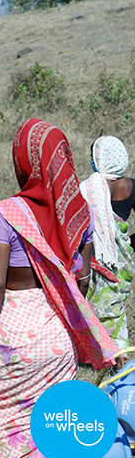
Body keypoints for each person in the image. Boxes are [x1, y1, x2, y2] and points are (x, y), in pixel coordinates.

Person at [0, 119, 118, 458]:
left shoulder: (8, 212)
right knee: (52, 436)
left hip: (12, 340)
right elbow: (82, 279)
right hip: (58, 341)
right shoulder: (80, 213)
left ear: (24, 161)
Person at [80, 135, 133, 356]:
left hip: (93, 256)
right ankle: (119, 353)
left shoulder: (89, 188)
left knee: (95, 304)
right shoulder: (131, 186)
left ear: (100, 160)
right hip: (121, 258)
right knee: (115, 305)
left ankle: (106, 354)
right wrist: (129, 244)